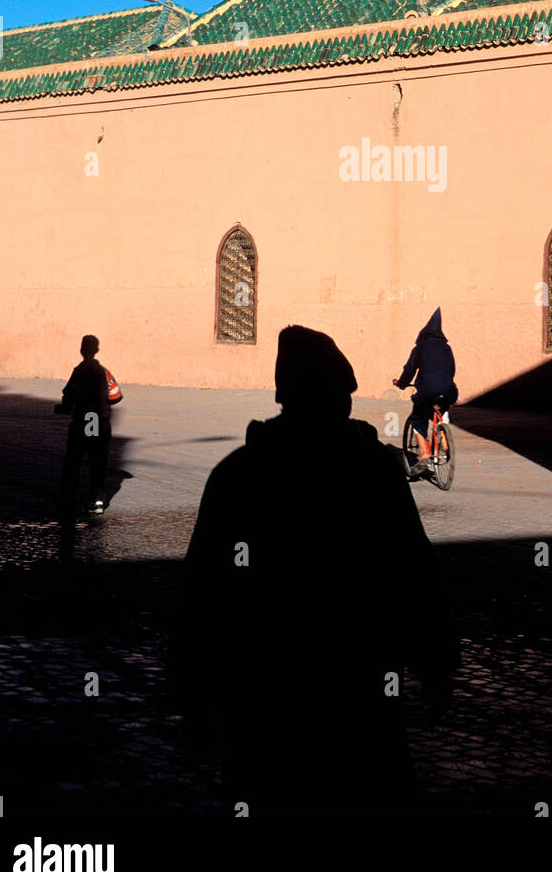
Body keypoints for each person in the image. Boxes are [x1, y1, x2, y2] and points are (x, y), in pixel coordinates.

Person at [169, 325, 459, 817]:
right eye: (342, 393)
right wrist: (436, 663)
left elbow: (201, 595)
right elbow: (413, 570)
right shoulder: (372, 473)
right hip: (357, 696)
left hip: (266, 701)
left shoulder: (239, 474)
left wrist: (196, 702)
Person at [394, 308, 458, 470]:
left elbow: (409, 370)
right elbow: (451, 370)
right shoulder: (447, 348)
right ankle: (443, 438)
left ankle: (423, 454)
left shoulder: (420, 348)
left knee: (418, 417)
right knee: (441, 409)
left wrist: (401, 383)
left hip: (427, 390)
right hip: (449, 390)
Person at [56, 334, 111, 519]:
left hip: (87, 419)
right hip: (97, 419)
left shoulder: (81, 370)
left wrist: (67, 406)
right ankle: (96, 501)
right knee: (95, 461)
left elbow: (68, 394)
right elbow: (112, 397)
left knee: (75, 460)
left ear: (81, 350)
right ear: (96, 350)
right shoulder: (102, 371)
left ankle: (70, 500)